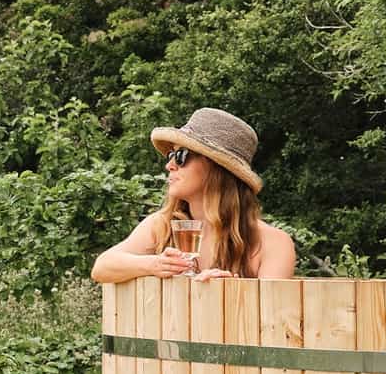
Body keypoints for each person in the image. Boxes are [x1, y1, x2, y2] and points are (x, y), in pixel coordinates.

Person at [90, 107, 296, 283]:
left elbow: (272, 322)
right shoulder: (162, 226)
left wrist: (232, 295)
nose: (169, 165)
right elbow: (102, 267)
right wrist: (156, 264)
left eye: (181, 156)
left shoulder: (273, 243)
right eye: (171, 155)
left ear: (217, 168)